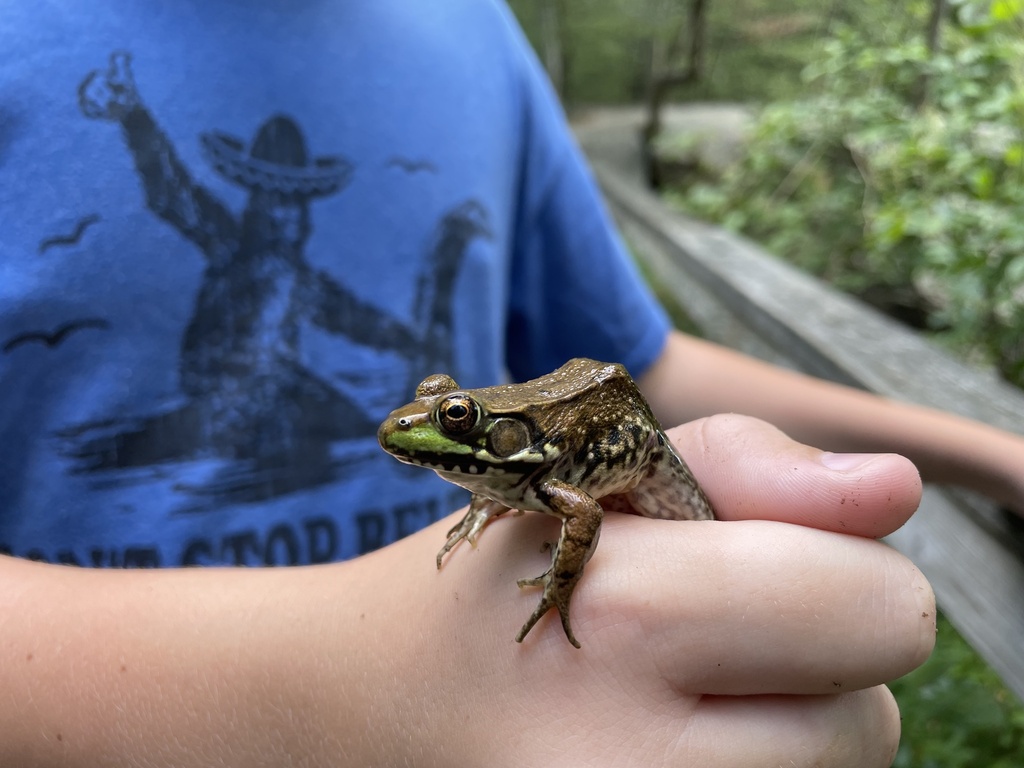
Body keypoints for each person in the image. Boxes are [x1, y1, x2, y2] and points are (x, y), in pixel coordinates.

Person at [0, 1, 1018, 764]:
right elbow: (177, 193)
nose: (285, 215)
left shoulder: (476, 32)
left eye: (293, 200)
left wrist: (989, 454)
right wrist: (341, 683)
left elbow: (641, 364)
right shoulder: (225, 234)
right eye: (273, 198)